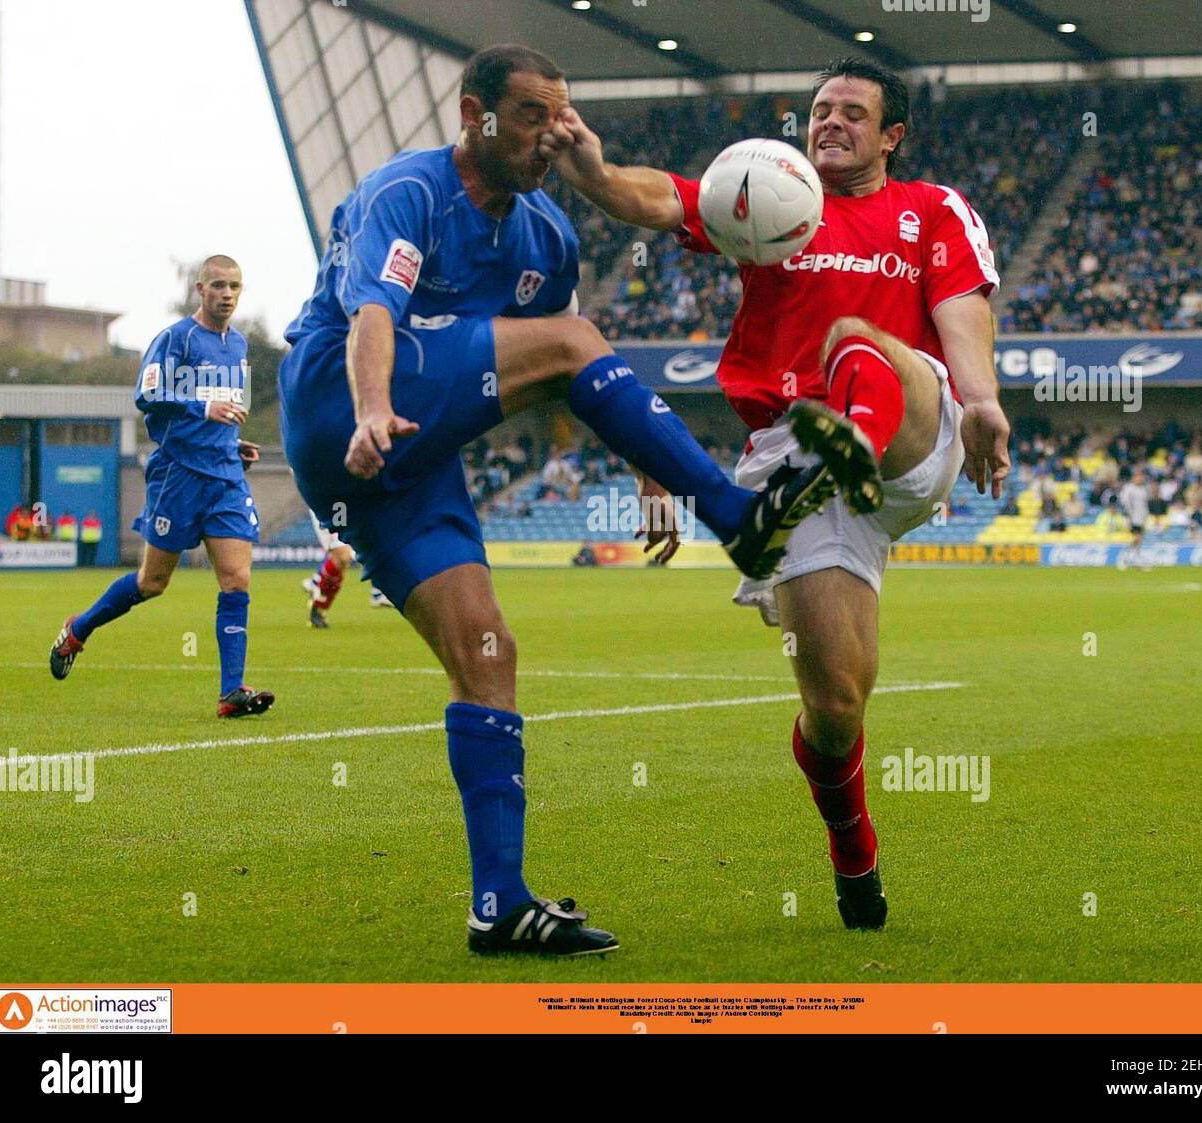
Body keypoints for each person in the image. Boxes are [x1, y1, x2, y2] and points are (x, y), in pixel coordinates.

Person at [278, 45, 860, 958]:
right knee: (570, 338)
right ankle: (740, 519)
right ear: (474, 114)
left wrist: (648, 470)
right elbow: (374, 318)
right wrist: (369, 408)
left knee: (488, 652)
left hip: (409, 463)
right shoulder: (408, 191)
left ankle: (499, 904)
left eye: (562, 117)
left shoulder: (547, 233)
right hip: (337, 406)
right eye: (531, 117)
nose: (552, 136)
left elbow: (578, 366)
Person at [549, 55, 1010, 930]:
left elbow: (961, 309)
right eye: (820, 109)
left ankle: (850, 441)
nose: (829, 122)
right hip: (792, 458)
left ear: (892, 135)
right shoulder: (767, 188)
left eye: (851, 113)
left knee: (858, 342)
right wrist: (595, 174)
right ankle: (855, 853)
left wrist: (982, 398)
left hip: (912, 427)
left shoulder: (928, 209)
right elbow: (665, 199)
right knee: (835, 704)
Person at [49, 256, 274, 719]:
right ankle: (79, 629)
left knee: (237, 578)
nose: (227, 294)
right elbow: (146, 396)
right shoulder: (176, 339)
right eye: (218, 285)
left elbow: (224, 411)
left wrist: (233, 441)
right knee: (152, 583)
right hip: (179, 475)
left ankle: (231, 694)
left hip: (225, 475)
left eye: (234, 286)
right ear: (200, 289)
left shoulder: (240, 346)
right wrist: (202, 409)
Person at [301, 509, 391, 627]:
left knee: (343, 560)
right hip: (329, 504)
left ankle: (317, 595)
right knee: (342, 557)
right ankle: (318, 601)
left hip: (346, 502)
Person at [1117, 468, 1151, 570]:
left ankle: (1135, 561)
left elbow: (1145, 504)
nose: (1140, 479)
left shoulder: (1144, 489)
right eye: (1138, 477)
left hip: (1141, 518)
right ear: (1134, 478)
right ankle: (1125, 558)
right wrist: (1129, 517)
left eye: (1141, 477)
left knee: (1138, 541)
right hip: (1132, 518)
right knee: (1137, 539)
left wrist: (1146, 516)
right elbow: (1125, 503)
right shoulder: (1128, 489)